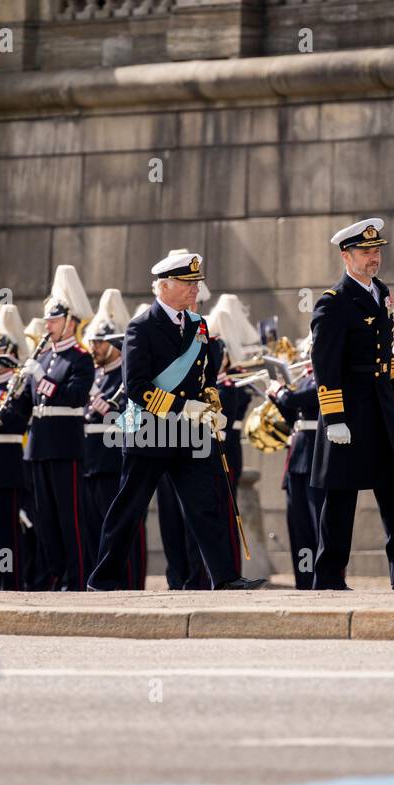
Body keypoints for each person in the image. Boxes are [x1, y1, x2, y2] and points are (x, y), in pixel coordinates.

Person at [87, 252, 265, 592]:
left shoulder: (199, 325)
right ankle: (104, 578)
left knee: (205, 506)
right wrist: (184, 408)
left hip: (189, 434)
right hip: (149, 431)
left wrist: (211, 398)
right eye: (187, 283)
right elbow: (137, 387)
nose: (194, 289)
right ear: (164, 286)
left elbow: (206, 375)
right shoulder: (141, 326)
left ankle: (225, 577)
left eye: (196, 283)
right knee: (130, 508)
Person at [309, 218, 394, 591]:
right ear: (346, 256)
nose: (374, 258)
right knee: (341, 496)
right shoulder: (332, 303)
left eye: (377, 251)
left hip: (381, 407)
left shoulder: (381, 292)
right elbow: (325, 364)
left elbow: (387, 349)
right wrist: (334, 417)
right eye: (366, 252)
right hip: (349, 410)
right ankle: (329, 578)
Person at [23, 297, 94, 591]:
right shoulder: (41, 358)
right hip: (39, 446)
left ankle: (75, 578)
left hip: (65, 444)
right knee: (45, 518)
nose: (47, 327)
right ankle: (51, 576)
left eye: (53, 321)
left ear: (70, 323)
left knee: (70, 516)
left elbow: (74, 397)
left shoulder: (81, 358)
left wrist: (41, 379)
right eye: (47, 321)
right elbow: (29, 404)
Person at [80, 313, 146, 587]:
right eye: (92, 342)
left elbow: (135, 416)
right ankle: (101, 581)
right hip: (90, 460)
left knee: (122, 525)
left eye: (99, 342)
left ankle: (130, 582)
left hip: (113, 458)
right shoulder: (95, 376)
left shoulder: (124, 375)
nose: (93, 348)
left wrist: (113, 408)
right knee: (96, 527)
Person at [266, 337, 324, 589]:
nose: (305, 357)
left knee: (317, 527)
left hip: (315, 459)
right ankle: (304, 582)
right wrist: (276, 398)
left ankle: (325, 579)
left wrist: (283, 393)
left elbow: (305, 399)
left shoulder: (325, 377)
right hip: (297, 460)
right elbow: (293, 417)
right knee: (299, 528)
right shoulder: (303, 379)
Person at [0, 331, 33, 590]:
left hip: (5, 467)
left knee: (8, 535)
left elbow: (16, 420)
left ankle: (13, 586)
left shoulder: (18, 384)